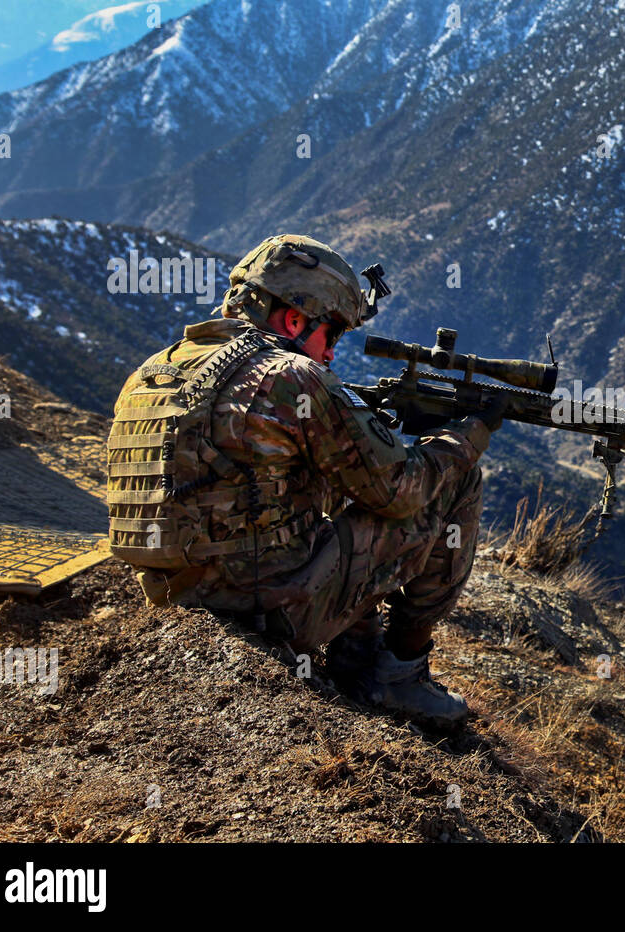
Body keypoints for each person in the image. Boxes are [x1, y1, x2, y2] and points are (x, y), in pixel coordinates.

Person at [105, 234, 505, 730]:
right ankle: (401, 674)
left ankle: (356, 657)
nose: (332, 354)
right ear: (294, 319)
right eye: (332, 334)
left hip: (175, 598)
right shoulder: (291, 377)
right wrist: (468, 435)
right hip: (268, 611)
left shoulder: (151, 371)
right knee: (456, 481)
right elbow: (401, 491)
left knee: (324, 496)